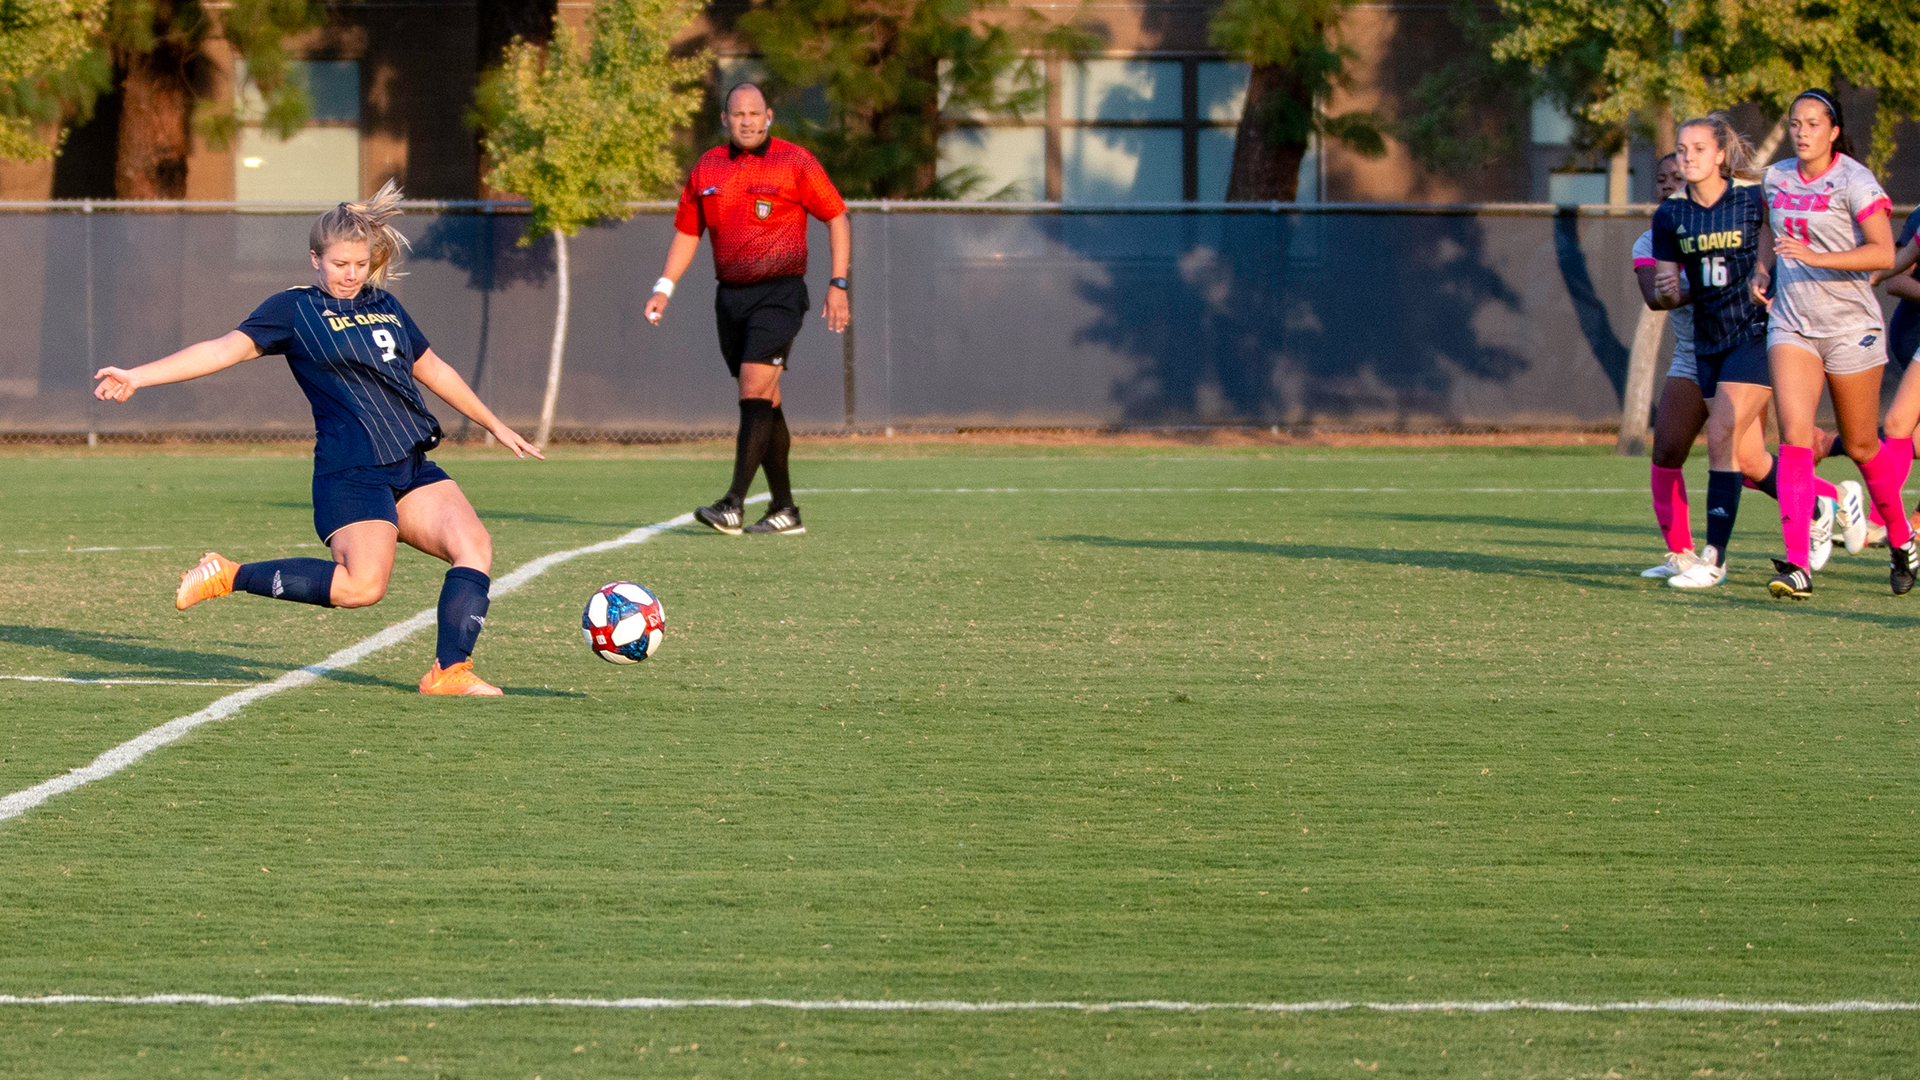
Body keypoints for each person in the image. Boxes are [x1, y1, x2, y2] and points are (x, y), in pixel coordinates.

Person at [91, 182, 542, 695]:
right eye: (339, 264)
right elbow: (220, 350)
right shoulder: (293, 310)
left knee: (475, 546)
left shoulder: (386, 303)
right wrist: (139, 376)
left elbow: (433, 370)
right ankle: (227, 574)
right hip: (351, 470)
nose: (351, 275)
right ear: (314, 259)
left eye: (360, 264)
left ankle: (449, 671)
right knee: (361, 588)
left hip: (411, 464)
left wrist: (495, 424)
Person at [1638, 151, 1862, 582]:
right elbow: (1655, 298)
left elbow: (1766, 254)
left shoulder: (1736, 215)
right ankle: (1684, 554)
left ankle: (1715, 559)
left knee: (1735, 447)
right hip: (1693, 351)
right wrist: (1674, 290)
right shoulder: (1655, 235)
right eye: (1663, 177)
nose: (1670, 181)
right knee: (1676, 449)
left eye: (1678, 171)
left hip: (1744, 342)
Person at [645, 82, 850, 536]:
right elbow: (687, 231)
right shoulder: (708, 167)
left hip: (779, 293)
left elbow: (836, 214)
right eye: (739, 113)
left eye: (755, 113)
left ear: (769, 115)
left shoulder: (794, 161)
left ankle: (733, 502)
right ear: (725, 119)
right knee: (767, 400)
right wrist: (664, 287)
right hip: (731, 297)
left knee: (754, 391)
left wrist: (838, 283)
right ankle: (784, 509)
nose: (748, 121)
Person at [1755, 89, 1904, 599]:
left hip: (1850, 328)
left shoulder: (1855, 180)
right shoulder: (1775, 178)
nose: (1802, 132)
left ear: (1834, 130)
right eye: (1796, 123)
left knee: (1862, 443)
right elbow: (1766, 229)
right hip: (1793, 324)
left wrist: (1815, 257)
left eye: (1814, 124)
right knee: (1795, 440)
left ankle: (1902, 538)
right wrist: (1762, 268)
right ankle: (1799, 566)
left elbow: (1883, 253)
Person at [1645, 115, 1785, 589]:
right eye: (1682, 149)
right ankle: (1816, 505)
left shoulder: (1750, 199)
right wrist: (1667, 289)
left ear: (1721, 154)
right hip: (1705, 343)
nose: (1688, 157)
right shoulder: (1670, 216)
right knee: (1745, 456)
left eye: (1699, 149)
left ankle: (1714, 558)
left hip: (1754, 333)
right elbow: (1666, 293)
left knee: (1722, 433)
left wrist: (1764, 269)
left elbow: (1773, 230)